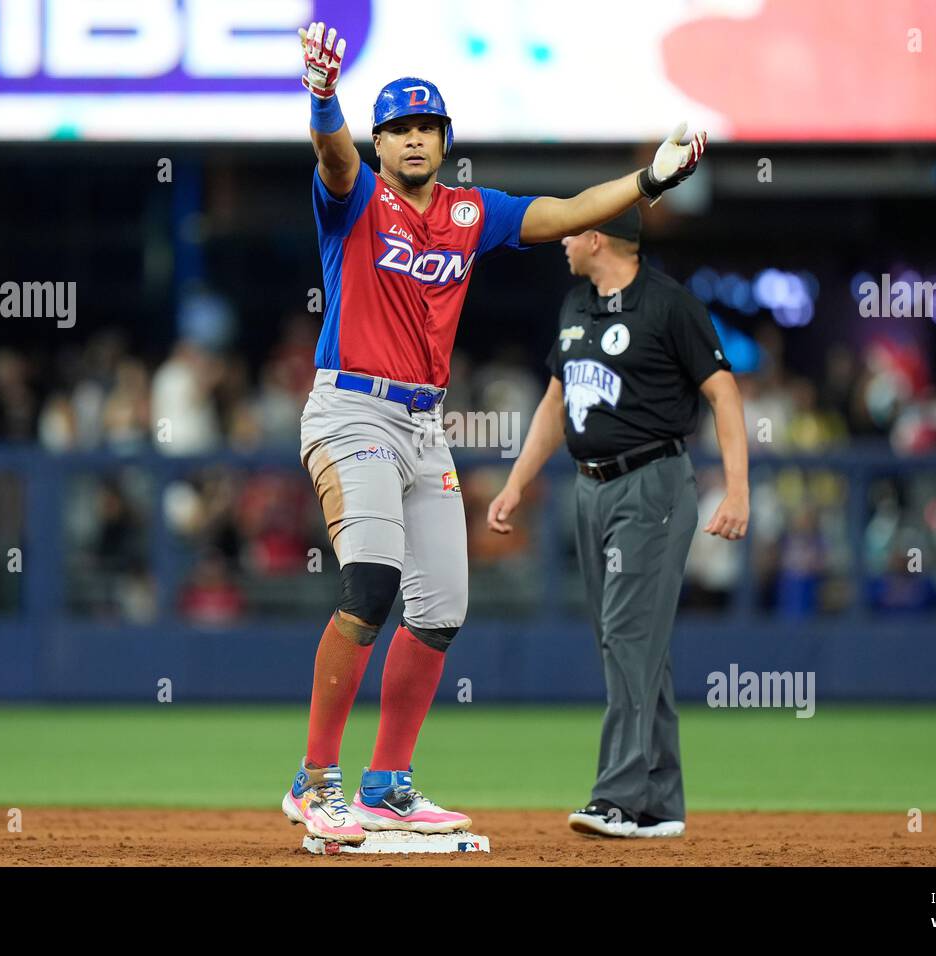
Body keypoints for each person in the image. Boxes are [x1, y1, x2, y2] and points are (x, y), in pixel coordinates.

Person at [282, 20, 709, 845]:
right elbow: (331, 157)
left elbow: (572, 211)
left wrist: (648, 180)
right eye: (399, 129)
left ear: (444, 141)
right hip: (351, 409)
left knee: (440, 609)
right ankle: (315, 780)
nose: (413, 140)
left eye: (426, 128)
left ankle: (388, 785)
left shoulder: (472, 211)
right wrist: (323, 96)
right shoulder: (357, 197)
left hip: (423, 424)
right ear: (381, 144)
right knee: (370, 585)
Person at [486, 206, 749, 838]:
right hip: (590, 486)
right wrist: (518, 482)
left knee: (628, 639)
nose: (563, 238)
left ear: (598, 237)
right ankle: (658, 801)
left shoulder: (669, 304)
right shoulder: (576, 305)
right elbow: (557, 400)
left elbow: (724, 393)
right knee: (633, 644)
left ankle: (618, 797)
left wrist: (738, 490)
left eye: (574, 229)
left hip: (650, 481)